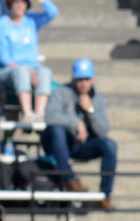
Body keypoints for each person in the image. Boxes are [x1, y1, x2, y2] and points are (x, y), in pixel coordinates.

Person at [41, 58, 118, 211]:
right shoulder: (62, 92)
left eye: (87, 79)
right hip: (60, 143)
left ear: (93, 79)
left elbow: (103, 131)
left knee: (110, 145)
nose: (83, 83)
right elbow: (50, 117)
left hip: (82, 145)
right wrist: (76, 123)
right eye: (79, 79)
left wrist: (90, 111)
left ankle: (105, 195)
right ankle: (70, 179)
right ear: (73, 79)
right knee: (57, 129)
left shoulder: (99, 99)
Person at [0, 0, 59, 123]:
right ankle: (27, 112)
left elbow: (53, 12)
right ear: (10, 4)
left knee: (45, 72)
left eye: (23, 2)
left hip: (32, 69)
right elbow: (3, 57)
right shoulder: (0, 24)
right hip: (9, 70)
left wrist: (42, 1)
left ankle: (39, 113)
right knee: (21, 72)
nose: (19, 5)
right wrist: (28, 72)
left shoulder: (31, 21)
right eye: (16, 2)